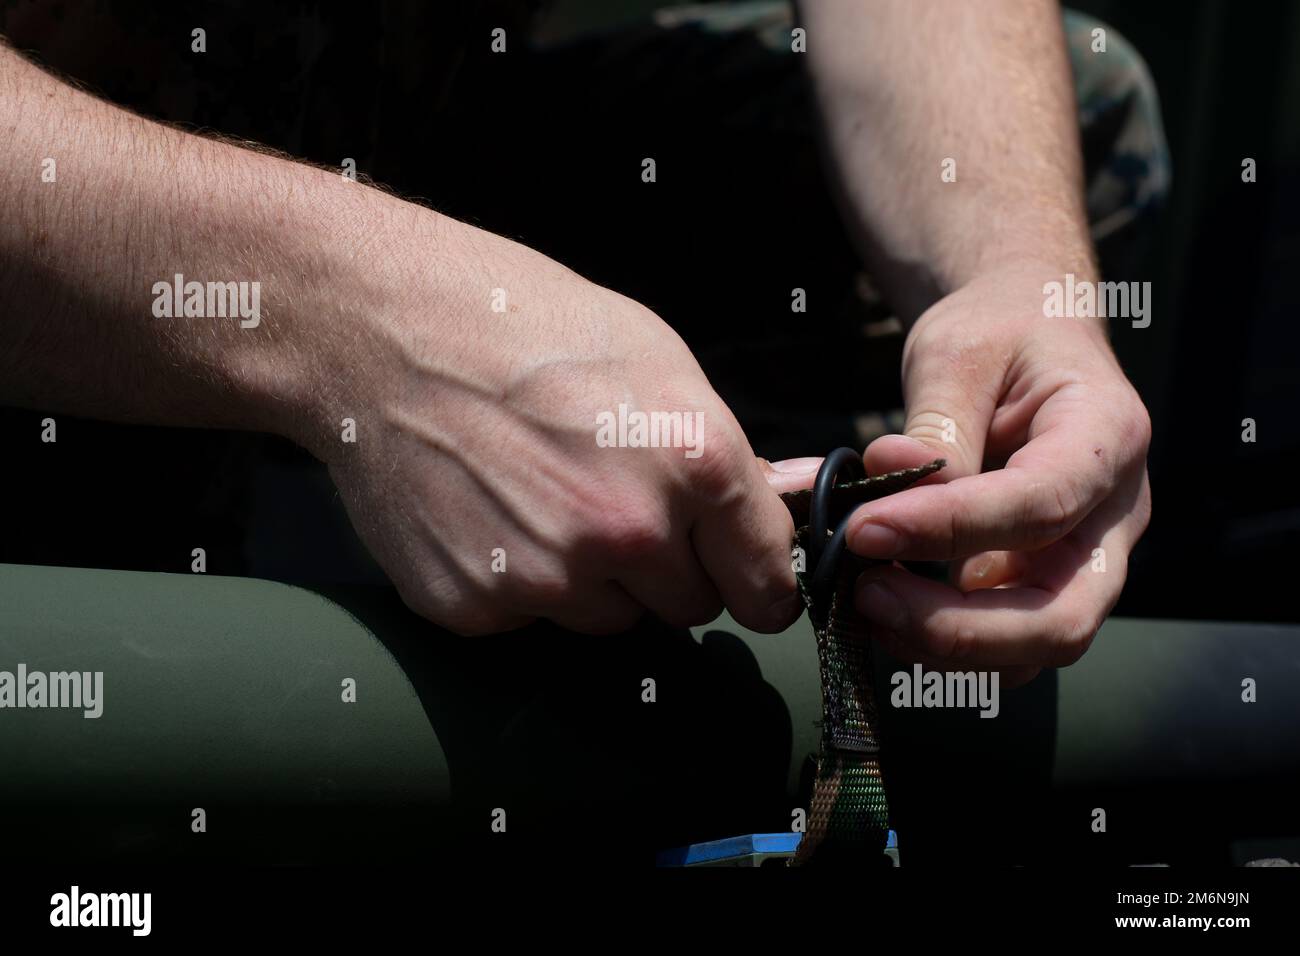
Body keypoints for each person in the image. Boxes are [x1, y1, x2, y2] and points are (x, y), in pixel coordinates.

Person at [0, 0, 1155, 684]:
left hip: (393, 118)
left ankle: (714, 692)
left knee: (1087, 128)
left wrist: (1017, 273)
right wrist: (353, 319)